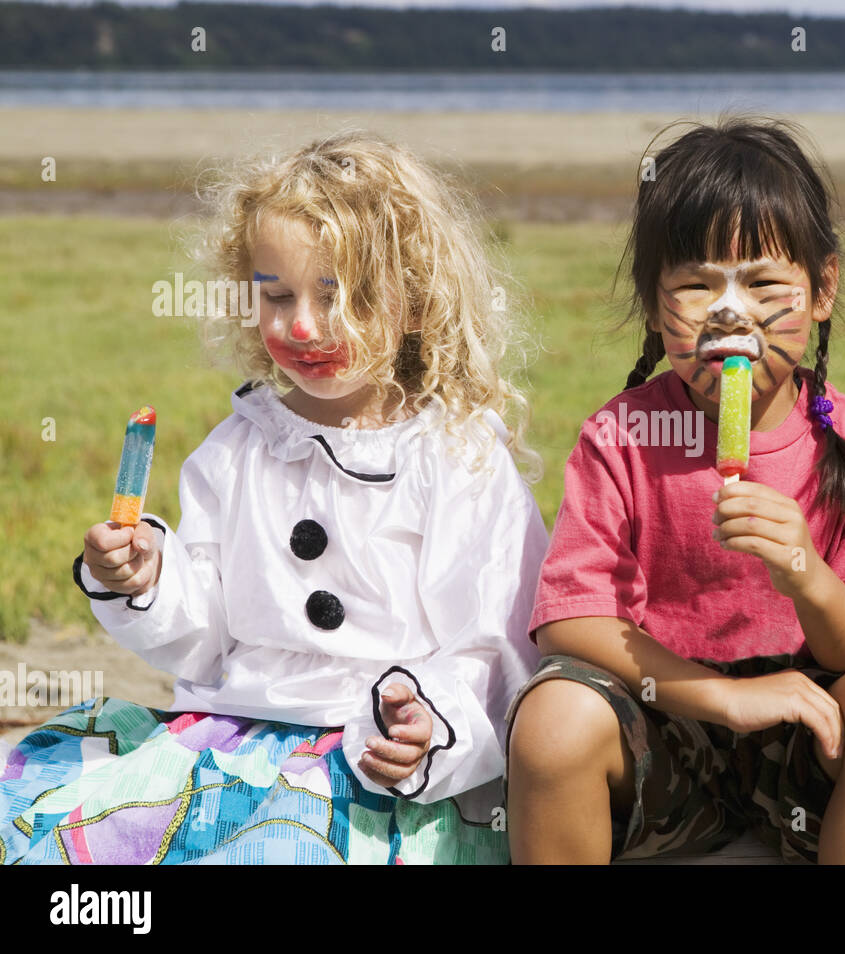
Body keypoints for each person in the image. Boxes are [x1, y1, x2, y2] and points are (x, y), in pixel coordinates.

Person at [0, 132, 548, 865]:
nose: (303, 325)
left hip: (377, 767)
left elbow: (499, 640)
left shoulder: (455, 453)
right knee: (51, 830)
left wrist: (430, 724)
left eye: (339, 296)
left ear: (416, 302)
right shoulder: (239, 446)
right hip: (232, 741)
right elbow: (203, 635)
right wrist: (146, 575)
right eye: (277, 295)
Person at [506, 118, 845, 865]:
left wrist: (806, 573)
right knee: (551, 721)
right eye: (696, 285)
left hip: (815, 731)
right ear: (654, 306)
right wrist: (723, 697)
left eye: (763, 282)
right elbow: (572, 623)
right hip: (666, 716)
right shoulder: (622, 437)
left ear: (822, 290)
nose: (729, 313)